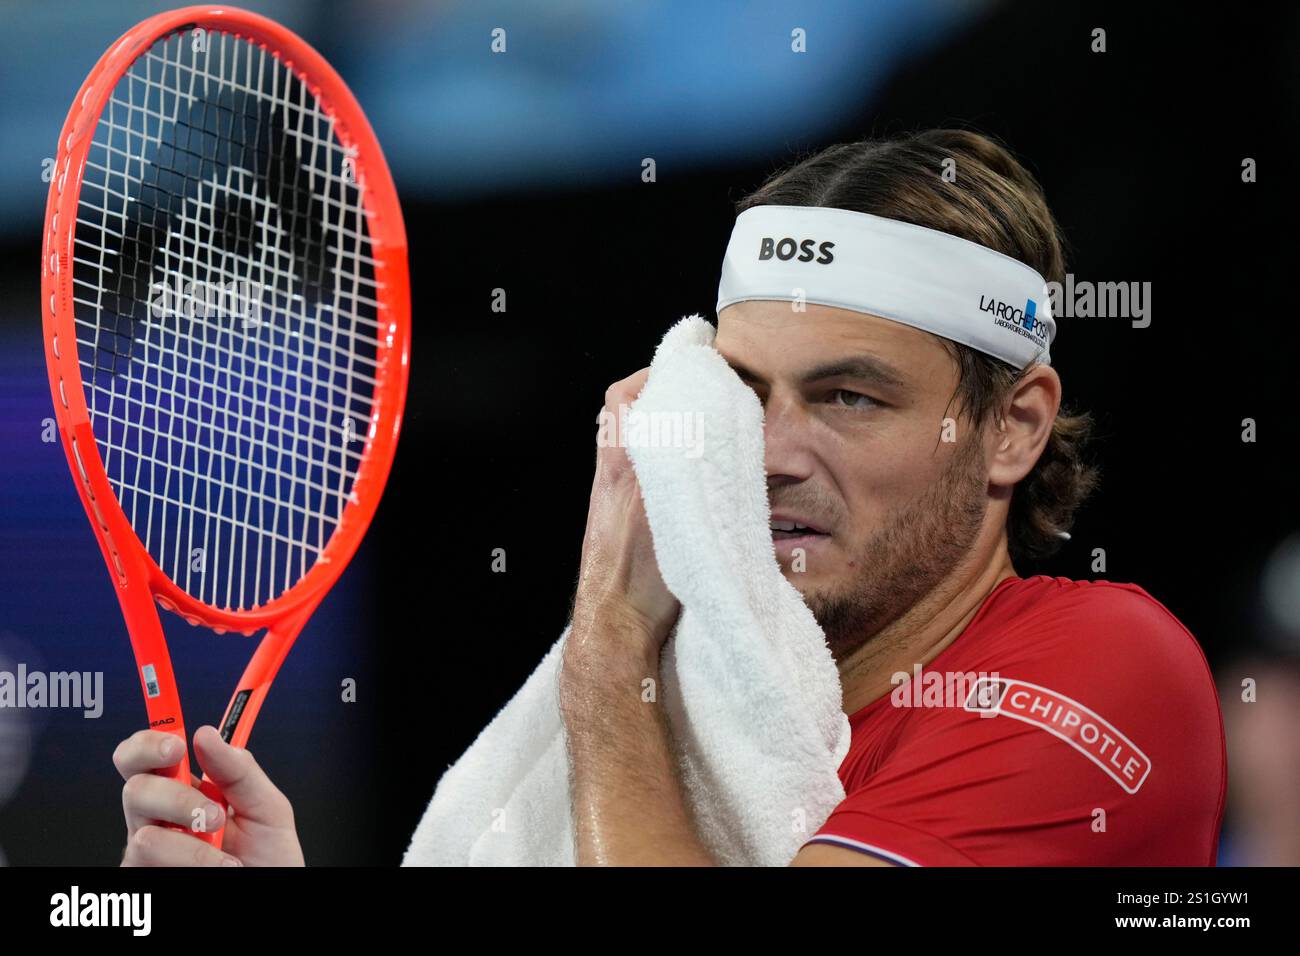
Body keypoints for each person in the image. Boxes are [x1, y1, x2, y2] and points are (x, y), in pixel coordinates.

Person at [114, 128, 1226, 867]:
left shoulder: (1111, 666)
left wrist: (608, 643)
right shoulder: (697, 699)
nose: (769, 454)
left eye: (848, 397)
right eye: (741, 393)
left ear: (1012, 426)